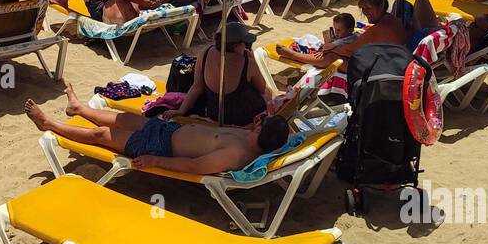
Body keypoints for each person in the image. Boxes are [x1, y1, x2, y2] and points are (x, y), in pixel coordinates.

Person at [24, 87, 291, 175]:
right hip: (167, 130)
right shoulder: (250, 137)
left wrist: (156, 161)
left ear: (262, 133)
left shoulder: (236, 155)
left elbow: (195, 166)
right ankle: (79, 109)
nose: (258, 121)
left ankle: (49, 124)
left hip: (161, 148)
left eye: (261, 123)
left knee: (103, 135)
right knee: (125, 118)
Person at [170, 22, 275, 127]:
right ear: (236, 46)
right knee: (269, 91)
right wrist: (254, 61)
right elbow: (261, 88)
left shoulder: (205, 53)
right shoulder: (247, 63)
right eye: (246, 44)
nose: (247, 47)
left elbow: (197, 87)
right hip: (244, 117)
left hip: (215, 113)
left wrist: (181, 110)